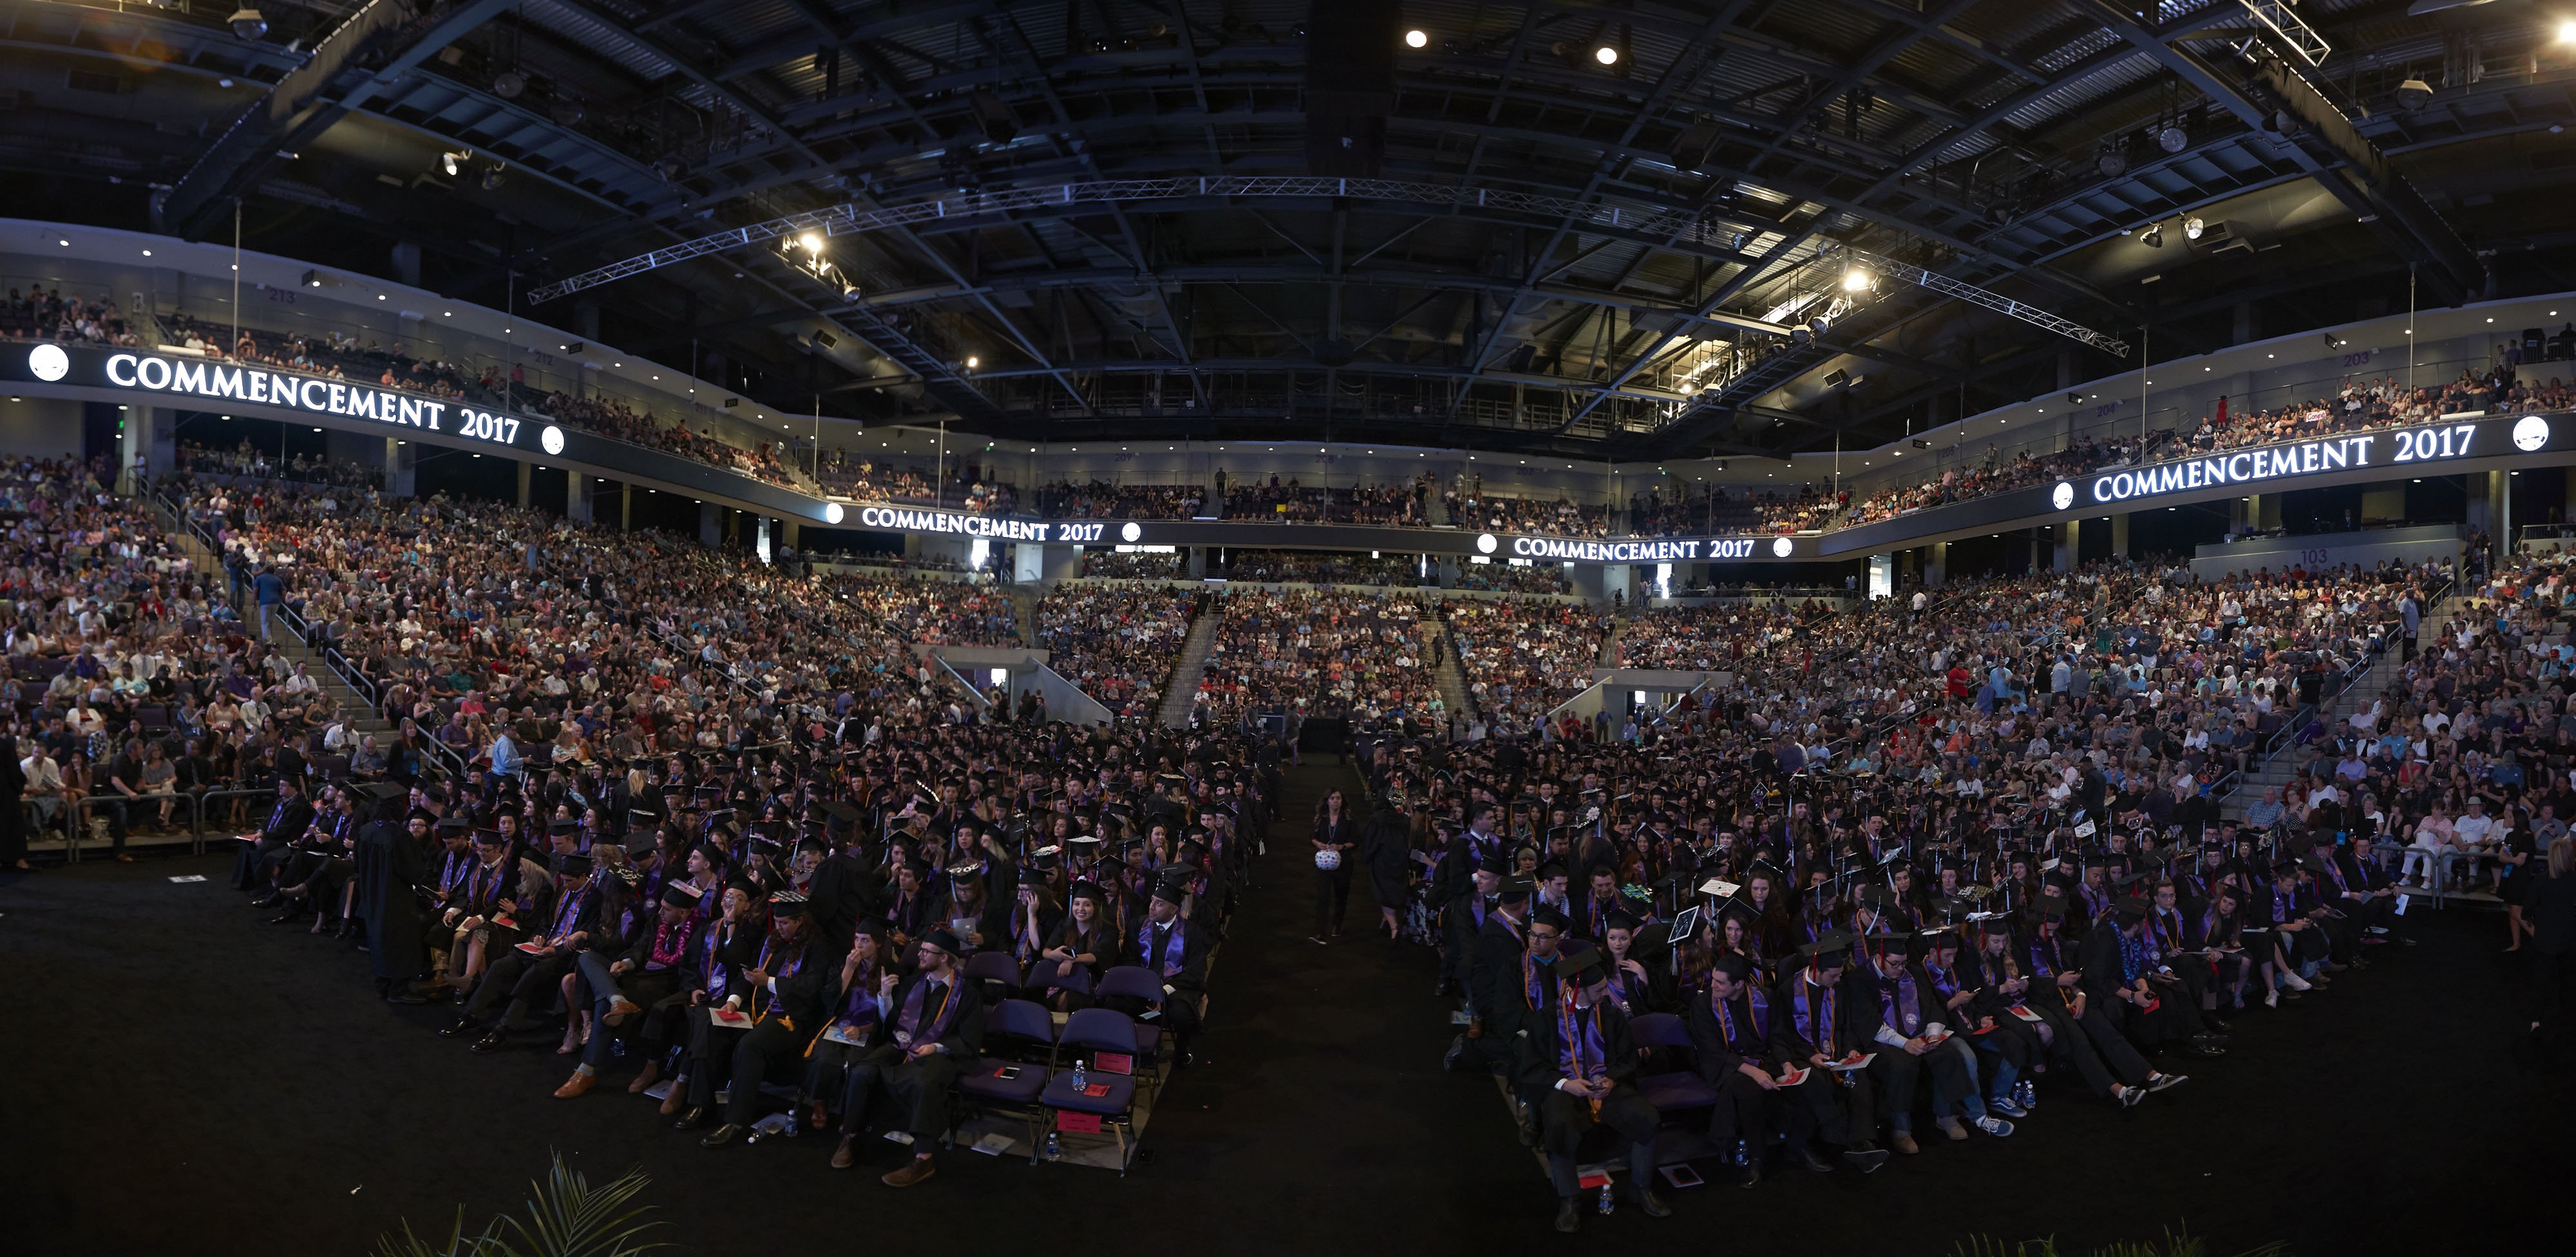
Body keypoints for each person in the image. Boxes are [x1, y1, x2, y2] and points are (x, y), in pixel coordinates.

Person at [1510, 947, 1671, 1233]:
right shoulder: (1547, 1018)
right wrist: (1565, 1083)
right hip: (1565, 1090)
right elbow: (1533, 1068)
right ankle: (1570, 1199)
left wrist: (1611, 1078)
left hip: (1605, 1088)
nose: (1605, 993)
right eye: (1598, 989)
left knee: (1646, 1116)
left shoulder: (1611, 1016)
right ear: (1578, 989)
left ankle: (1641, 1188)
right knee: (1558, 1123)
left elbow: (1627, 1060)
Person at [2526, 837, 2576, 1044]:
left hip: (2545, 938)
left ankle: (2536, 1022)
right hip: (2570, 939)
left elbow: (2526, 911)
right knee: (2569, 982)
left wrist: (2539, 921)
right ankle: (2568, 1020)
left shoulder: (2541, 880)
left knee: (2542, 983)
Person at [1310, 788, 1358, 943]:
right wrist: (1318, 843)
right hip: (1323, 864)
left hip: (1343, 863)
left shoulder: (1348, 819)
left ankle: (1337, 924)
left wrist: (1342, 846)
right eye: (1332, 798)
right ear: (1327, 801)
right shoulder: (1321, 818)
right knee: (1322, 897)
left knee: (1341, 896)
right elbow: (1312, 836)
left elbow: (1356, 840)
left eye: (1338, 798)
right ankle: (1320, 931)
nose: (1336, 801)